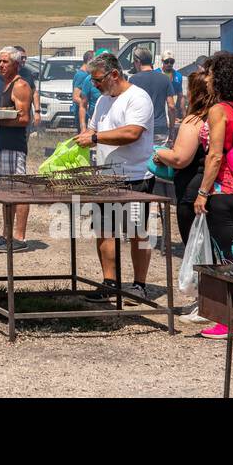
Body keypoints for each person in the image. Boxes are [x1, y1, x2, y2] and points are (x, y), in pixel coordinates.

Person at [73, 52, 156, 300]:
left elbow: (132, 133)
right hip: (106, 176)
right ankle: (109, 281)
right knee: (104, 230)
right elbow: (94, 127)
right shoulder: (102, 101)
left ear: (114, 75)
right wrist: (85, 138)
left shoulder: (138, 98)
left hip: (135, 176)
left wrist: (95, 138)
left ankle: (139, 284)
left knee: (136, 232)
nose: (94, 85)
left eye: (97, 80)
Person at [193, 51, 233, 340]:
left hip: (222, 192)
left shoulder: (219, 111)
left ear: (218, 78)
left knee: (225, 257)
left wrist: (202, 192)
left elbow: (215, 156)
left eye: (209, 74)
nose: (205, 79)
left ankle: (230, 321)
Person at [151, 68, 216, 323]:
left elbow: (180, 158)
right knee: (210, 246)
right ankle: (209, 301)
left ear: (194, 92)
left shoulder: (194, 121)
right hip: (211, 187)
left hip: (192, 188)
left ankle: (205, 303)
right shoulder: (219, 116)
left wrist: (159, 153)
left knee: (197, 246)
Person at [0, 47, 35, 254]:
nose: (1, 65)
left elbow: (25, 119)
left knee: (18, 190)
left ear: (16, 64)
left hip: (15, 147)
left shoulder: (20, 86)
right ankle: (6, 235)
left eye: (5, 62)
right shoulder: (5, 85)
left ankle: (19, 237)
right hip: (2, 145)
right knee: (4, 191)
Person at [128, 48, 173, 143]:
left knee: (142, 157)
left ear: (138, 61)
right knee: (159, 157)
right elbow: (171, 106)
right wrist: (172, 129)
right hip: (160, 128)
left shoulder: (133, 80)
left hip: (141, 128)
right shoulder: (165, 79)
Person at [72, 50, 101, 132]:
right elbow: (75, 97)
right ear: (89, 60)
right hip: (83, 115)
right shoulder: (82, 75)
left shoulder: (87, 74)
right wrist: (89, 106)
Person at [161, 55, 183, 124]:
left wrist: (181, 112)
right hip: (160, 110)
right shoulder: (156, 73)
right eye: (167, 61)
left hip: (172, 108)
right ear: (162, 61)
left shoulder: (178, 75)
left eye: (172, 62)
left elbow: (180, 95)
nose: (169, 64)